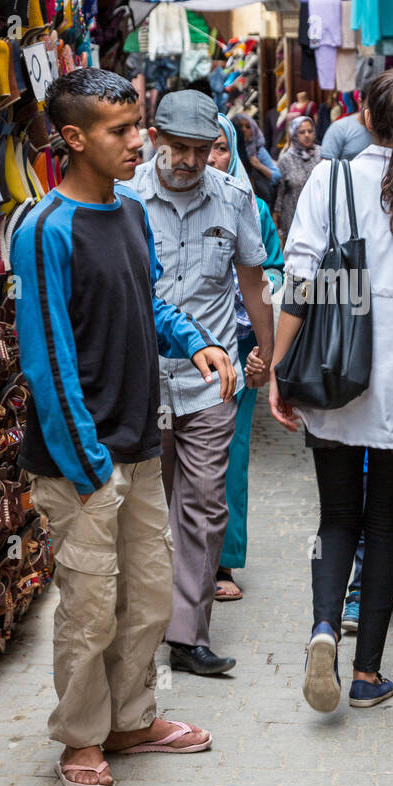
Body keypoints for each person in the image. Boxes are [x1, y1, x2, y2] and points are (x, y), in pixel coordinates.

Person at [11, 68, 236, 786]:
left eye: (137, 126)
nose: (139, 142)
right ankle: (81, 738)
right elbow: (48, 361)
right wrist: (89, 467)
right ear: (74, 139)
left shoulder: (132, 213)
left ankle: (131, 721)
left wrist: (194, 338)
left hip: (140, 445)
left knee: (147, 598)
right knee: (88, 607)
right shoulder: (44, 230)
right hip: (83, 464)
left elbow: (150, 304)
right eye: (121, 131)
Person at [269, 64, 393, 713]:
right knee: (384, 524)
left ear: (367, 118)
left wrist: (279, 368)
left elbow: (298, 279)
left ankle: (324, 626)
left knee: (335, 518)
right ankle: (366, 674)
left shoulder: (329, 178)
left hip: (331, 369)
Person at [131, 90, 275, 676]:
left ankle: (187, 635)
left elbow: (252, 282)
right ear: (156, 139)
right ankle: (141, 629)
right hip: (143, 382)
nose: (190, 161)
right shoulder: (125, 198)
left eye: (201, 149)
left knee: (204, 505)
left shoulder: (235, 198)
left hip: (212, 382)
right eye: (179, 149)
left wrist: (267, 357)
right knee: (146, 509)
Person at [207, 115, 285, 599]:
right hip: (177, 350)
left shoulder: (252, 208)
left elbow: (274, 267)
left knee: (230, 453)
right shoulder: (159, 205)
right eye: (199, 147)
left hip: (238, 346)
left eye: (218, 148)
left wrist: (262, 339)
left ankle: (222, 562)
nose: (210, 159)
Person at [275, 116, 321, 241]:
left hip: (318, 215)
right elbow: (279, 194)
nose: (307, 135)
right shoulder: (285, 160)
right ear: (294, 134)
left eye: (310, 131)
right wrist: (276, 221)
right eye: (301, 132)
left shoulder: (321, 154)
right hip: (294, 216)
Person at [234, 114, 280, 201]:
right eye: (240, 126)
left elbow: (277, 176)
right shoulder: (231, 149)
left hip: (260, 198)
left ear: (254, 129)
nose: (243, 130)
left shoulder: (258, 150)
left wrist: (259, 166)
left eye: (248, 127)